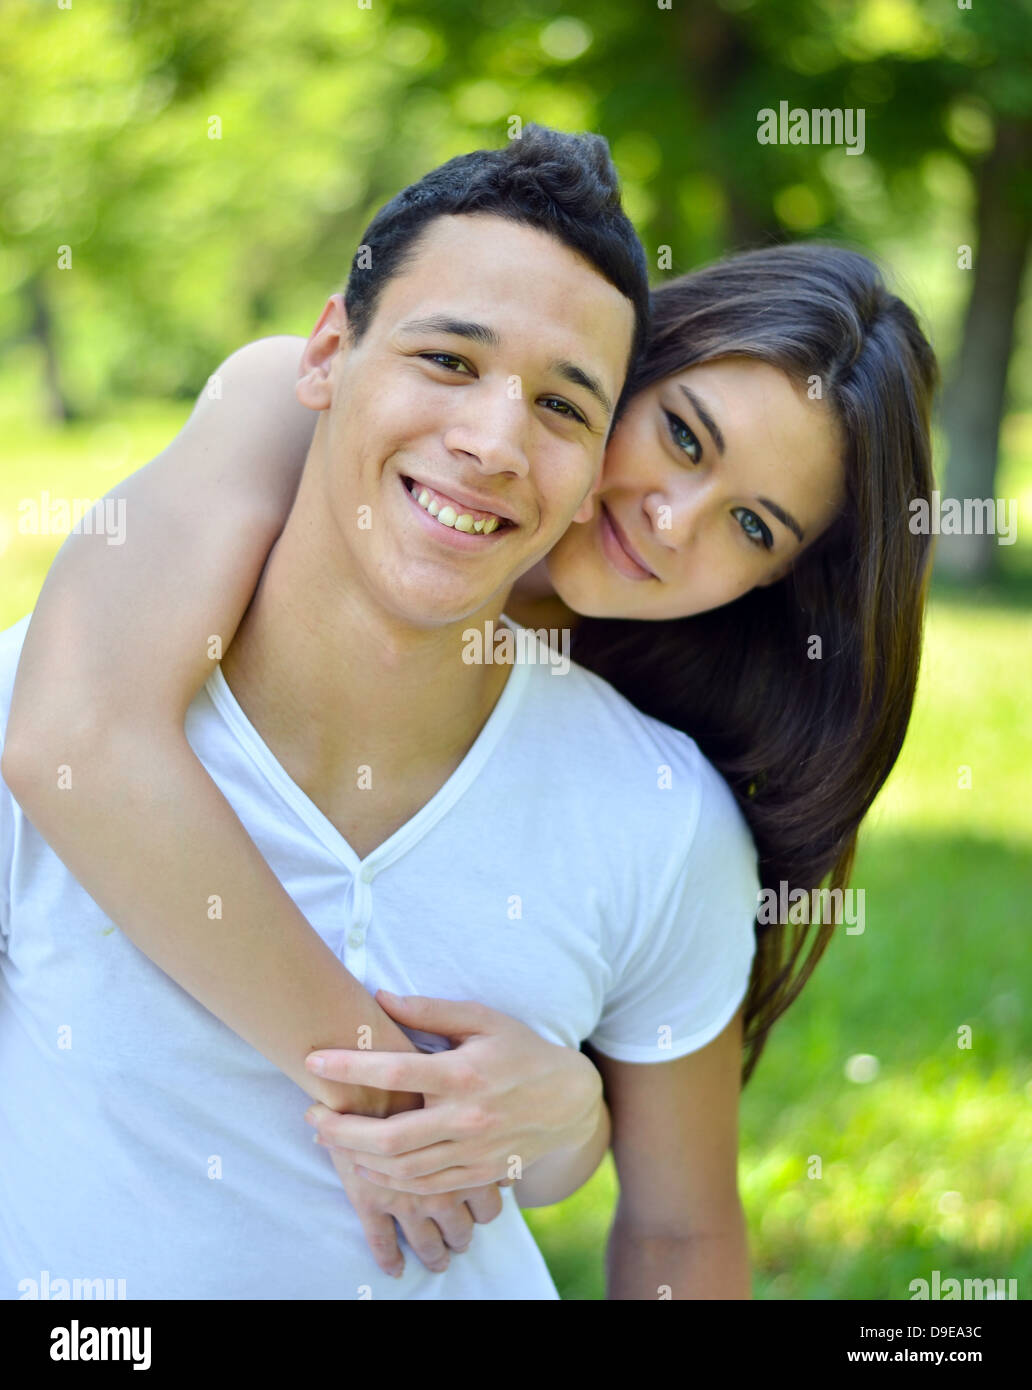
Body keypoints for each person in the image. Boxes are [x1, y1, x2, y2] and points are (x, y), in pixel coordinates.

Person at [2, 152, 938, 1296]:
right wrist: (401, 1102)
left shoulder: (648, 775)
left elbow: (669, 1202)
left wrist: (575, 1121)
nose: (673, 518)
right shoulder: (286, 415)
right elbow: (76, 736)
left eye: (751, 525)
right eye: (685, 437)